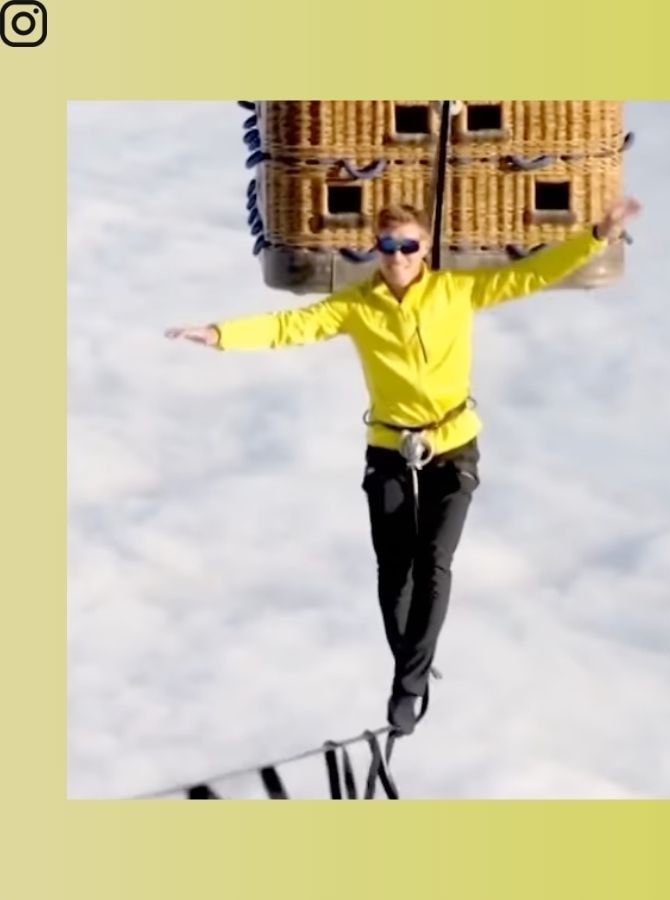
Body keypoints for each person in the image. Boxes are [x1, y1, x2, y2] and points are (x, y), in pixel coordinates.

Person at [165, 195, 643, 734]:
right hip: (390, 446)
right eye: (388, 245)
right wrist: (219, 334)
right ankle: (412, 655)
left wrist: (597, 235)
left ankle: (408, 685)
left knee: (433, 560)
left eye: (408, 245)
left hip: (453, 442)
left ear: (424, 249)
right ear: (376, 248)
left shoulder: (456, 292)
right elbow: (288, 326)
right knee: (395, 567)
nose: (397, 255)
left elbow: (531, 275)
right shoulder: (356, 306)